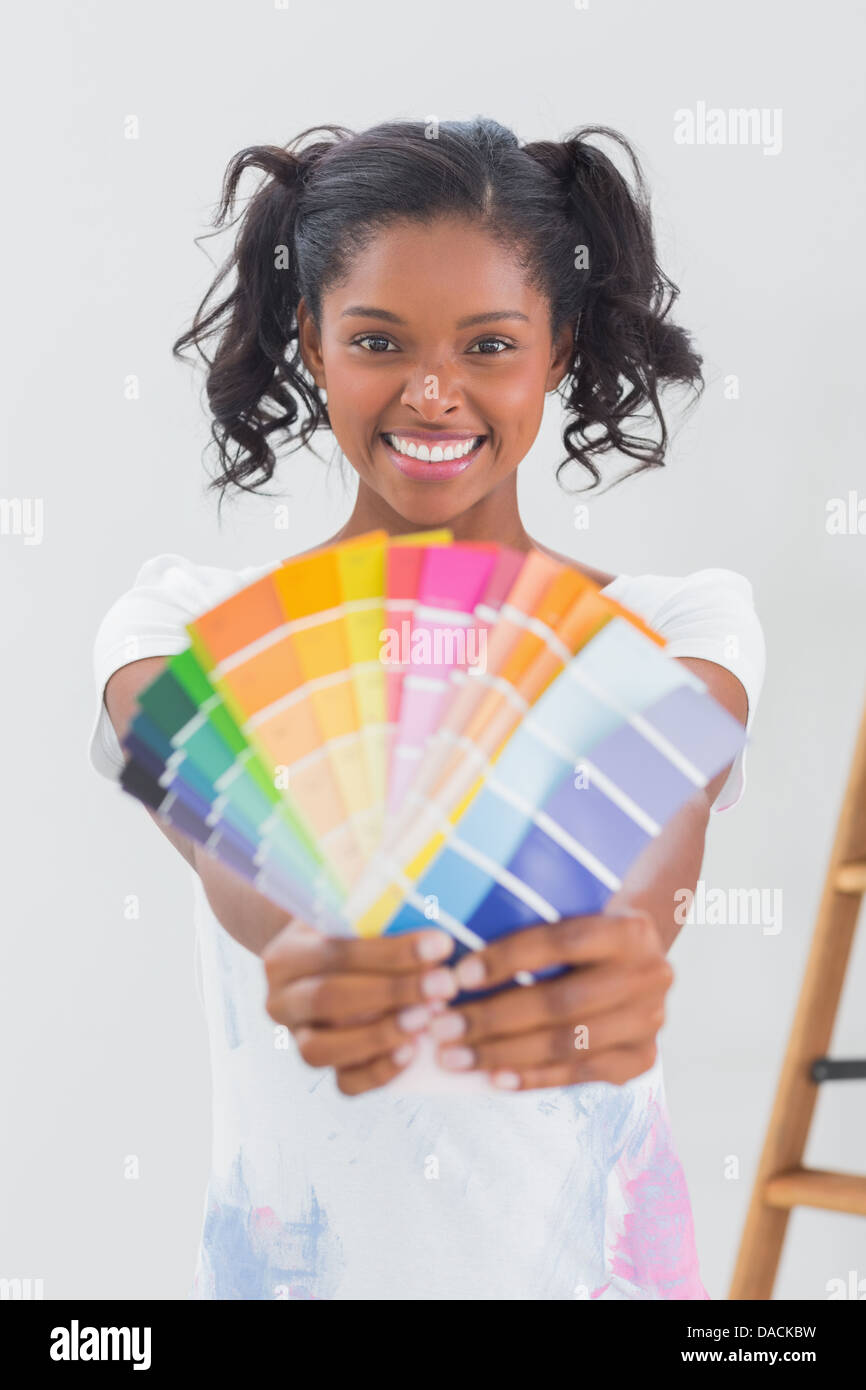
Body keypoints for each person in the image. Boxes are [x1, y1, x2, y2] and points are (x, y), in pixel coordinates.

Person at [88, 117, 766, 1300]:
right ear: (310, 341)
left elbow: (651, 851)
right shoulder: (173, 629)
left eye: (489, 344)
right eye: (377, 341)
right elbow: (234, 846)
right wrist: (319, 935)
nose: (433, 392)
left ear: (555, 351)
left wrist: (598, 953)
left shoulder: (682, 626)